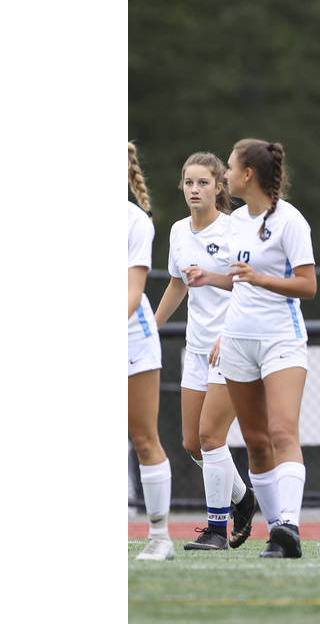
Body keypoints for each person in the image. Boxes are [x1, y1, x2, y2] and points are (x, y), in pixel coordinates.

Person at [183, 139, 316, 559]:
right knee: (255, 441)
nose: (223, 177)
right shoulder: (237, 221)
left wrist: (260, 279)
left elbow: (307, 286)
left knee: (281, 433)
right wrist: (212, 277)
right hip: (238, 341)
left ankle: (288, 525)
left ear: (248, 175)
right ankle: (278, 534)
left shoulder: (290, 220)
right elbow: (240, 278)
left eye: (230, 169)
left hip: (281, 338)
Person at [153, 152, 257, 550]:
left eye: (203, 183)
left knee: (212, 436)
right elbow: (178, 285)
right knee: (192, 443)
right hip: (196, 350)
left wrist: (226, 334)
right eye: (188, 183)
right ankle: (243, 499)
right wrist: (149, 328)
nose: (194, 190)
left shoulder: (235, 231)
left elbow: (248, 286)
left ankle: (217, 529)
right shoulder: (179, 231)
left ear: (219, 187)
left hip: (232, 346)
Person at [128, 142, 174, 561]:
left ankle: (160, 537)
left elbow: (132, 292)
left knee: (144, 439)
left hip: (131, 340)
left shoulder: (135, 221)